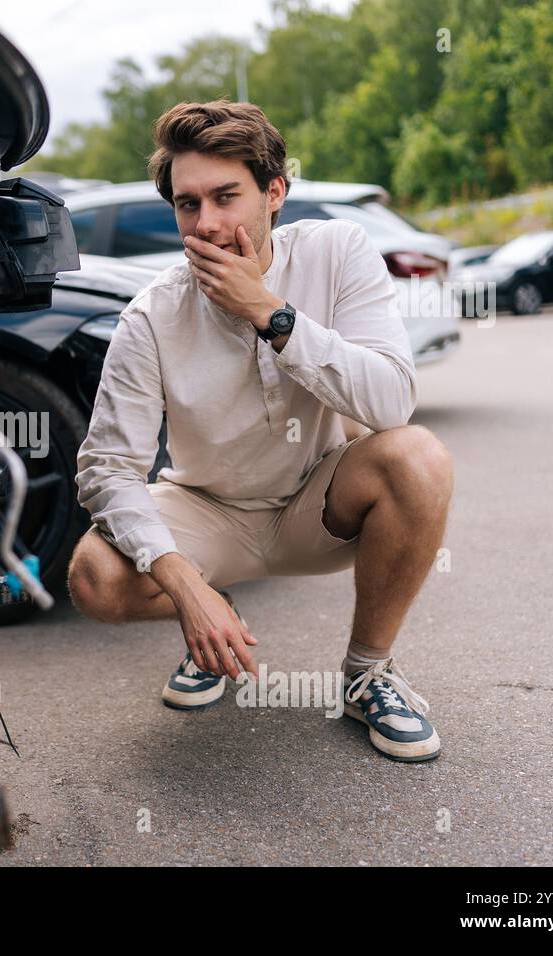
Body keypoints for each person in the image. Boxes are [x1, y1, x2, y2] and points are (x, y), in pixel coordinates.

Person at [68, 100, 453, 762]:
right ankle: (221, 620)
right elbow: (106, 469)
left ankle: (367, 674)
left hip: (322, 503)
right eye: (188, 205)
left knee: (417, 458)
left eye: (226, 197)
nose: (207, 224)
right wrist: (188, 591)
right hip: (208, 513)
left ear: (275, 192)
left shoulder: (338, 251)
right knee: (93, 576)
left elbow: (393, 401)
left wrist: (267, 312)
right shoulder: (150, 316)